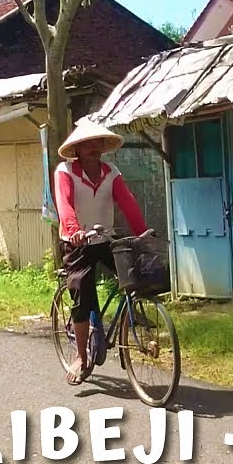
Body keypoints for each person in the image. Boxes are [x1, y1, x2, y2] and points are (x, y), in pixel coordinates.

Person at [53, 119, 150, 385]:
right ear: (78, 148)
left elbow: (127, 202)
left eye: (98, 143)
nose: (94, 147)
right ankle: (82, 357)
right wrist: (74, 229)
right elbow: (64, 203)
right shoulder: (66, 171)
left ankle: (130, 316)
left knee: (133, 274)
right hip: (78, 243)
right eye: (87, 143)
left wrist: (142, 233)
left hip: (105, 238)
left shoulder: (111, 171)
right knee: (82, 299)